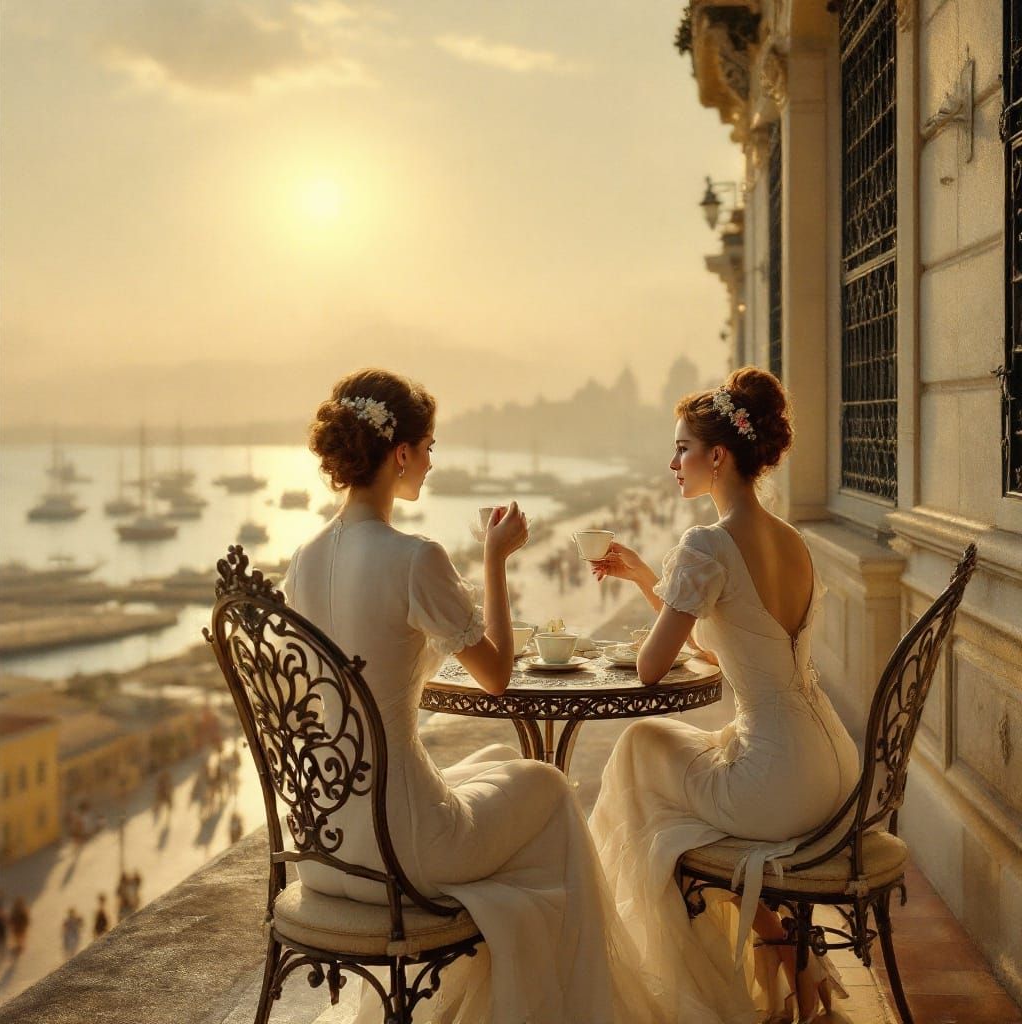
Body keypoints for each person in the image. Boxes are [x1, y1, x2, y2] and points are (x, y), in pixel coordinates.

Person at [281, 368, 664, 1024]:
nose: (431, 464)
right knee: (548, 786)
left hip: (325, 844)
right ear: (401, 452)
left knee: (496, 765)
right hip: (402, 850)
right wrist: (494, 560)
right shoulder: (415, 558)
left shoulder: (303, 560)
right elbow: (495, 675)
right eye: (429, 448)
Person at [589, 367, 860, 1024]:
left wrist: (660, 593)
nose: (672, 463)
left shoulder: (707, 544)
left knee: (639, 759)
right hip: (835, 769)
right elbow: (726, 643)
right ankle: (785, 941)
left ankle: (777, 943)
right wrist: (646, 579)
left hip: (778, 784)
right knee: (666, 801)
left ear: (717, 457)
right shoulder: (790, 538)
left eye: (682, 448)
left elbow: (652, 667)